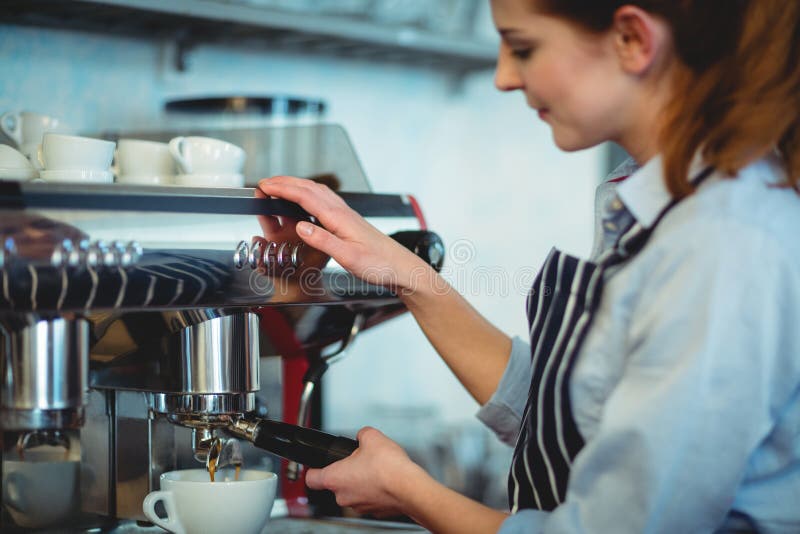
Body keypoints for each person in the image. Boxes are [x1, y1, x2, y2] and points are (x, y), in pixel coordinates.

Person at [258, 0, 800, 532]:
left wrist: (409, 491)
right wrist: (406, 273)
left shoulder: (723, 244)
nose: (503, 77)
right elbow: (557, 419)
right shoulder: (659, 204)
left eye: (523, 48)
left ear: (633, 39)